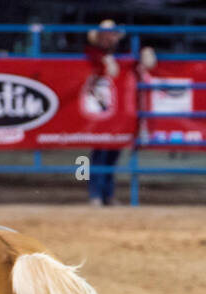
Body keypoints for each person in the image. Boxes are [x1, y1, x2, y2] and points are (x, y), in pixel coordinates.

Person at [85, 19, 124, 207]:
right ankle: (96, 194)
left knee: (112, 153)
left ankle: (106, 194)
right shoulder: (93, 53)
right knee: (100, 152)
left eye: (112, 35)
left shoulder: (119, 55)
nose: (111, 38)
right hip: (100, 109)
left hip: (117, 110)